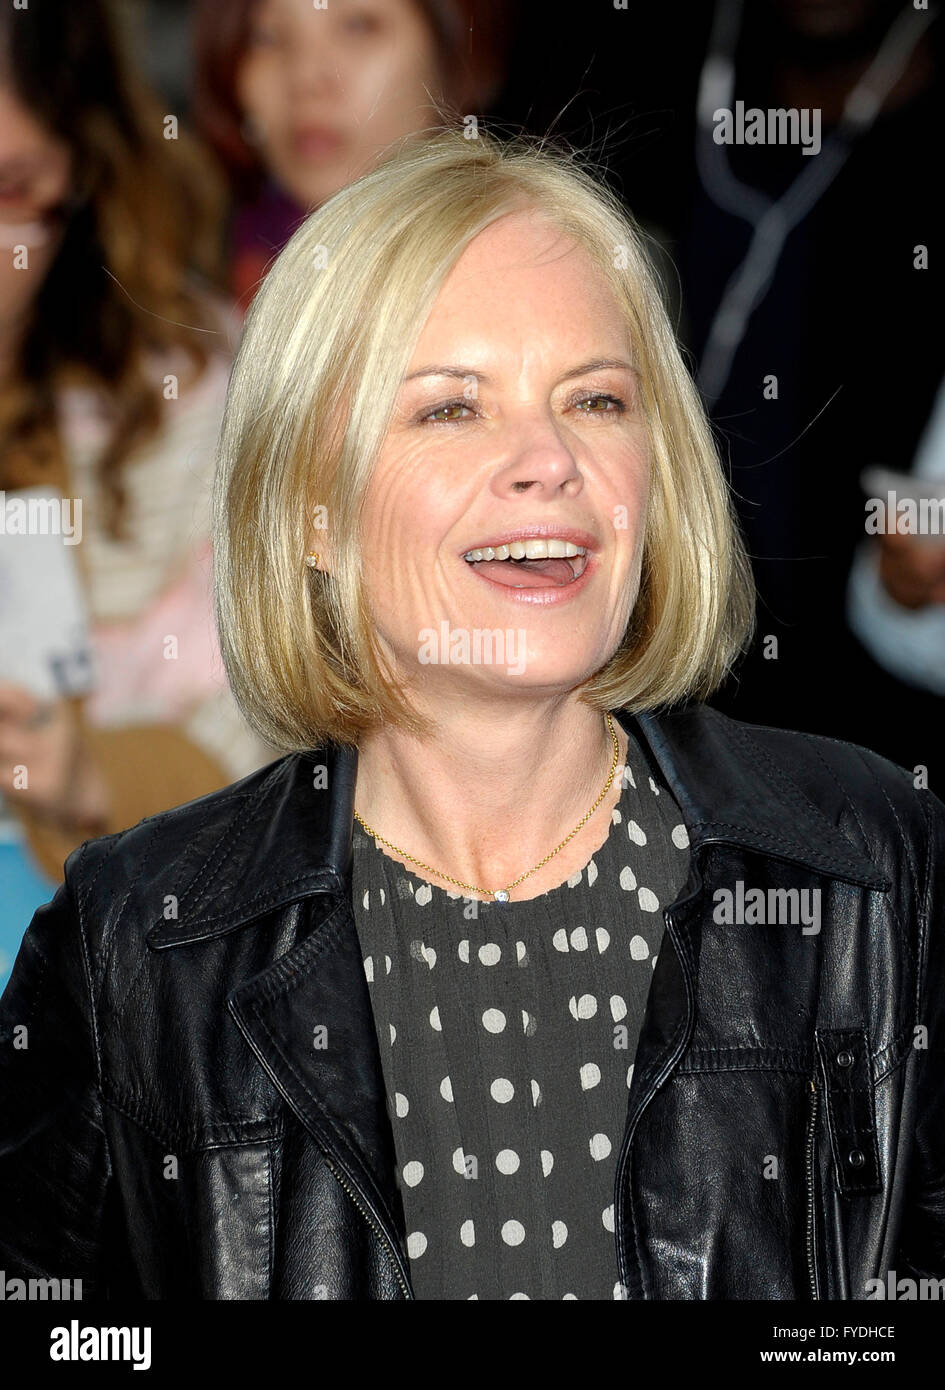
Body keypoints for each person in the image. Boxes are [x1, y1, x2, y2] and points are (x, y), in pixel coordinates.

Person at [1, 127, 942, 1301]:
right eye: (451, 409)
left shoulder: (874, 865)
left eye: (596, 399)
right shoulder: (137, 944)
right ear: (313, 512)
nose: (547, 458)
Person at [0, 0, 277, 991]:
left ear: (82, 168)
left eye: (10, 191)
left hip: (121, 984)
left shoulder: (185, 388)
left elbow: (275, 727)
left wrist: (95, 777)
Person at [192, 0, 514, 306]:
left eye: (357, 26)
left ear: (449, 48)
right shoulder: (194, 325)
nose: (306, 77)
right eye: (265, 36)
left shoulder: (522, 269)